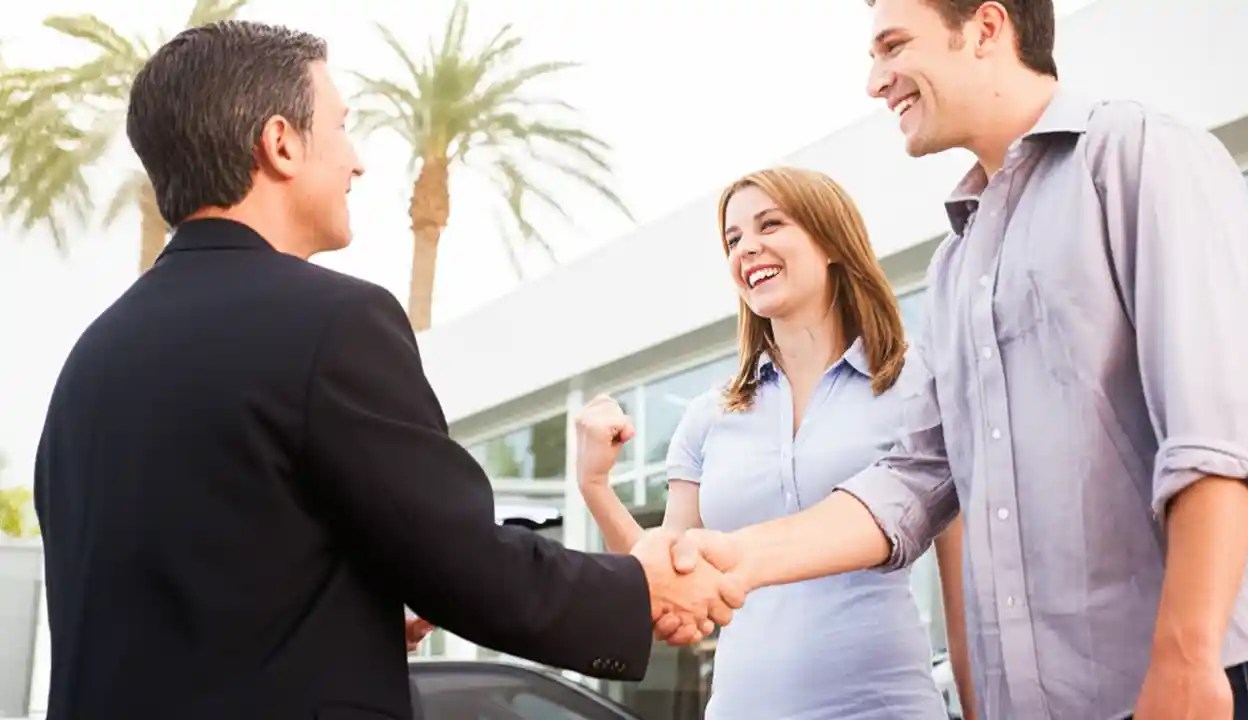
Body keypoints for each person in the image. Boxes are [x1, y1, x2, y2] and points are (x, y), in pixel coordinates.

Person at [32, 21, 741, 720]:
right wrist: (640, 590)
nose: (358, 162)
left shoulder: (93, 359)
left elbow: (187, 592)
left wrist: (353, 615)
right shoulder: (332, 322)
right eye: (342, 127)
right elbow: (462, 561)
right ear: (280, 143)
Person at [662, 1, 1248, 719]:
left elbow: (1215, 436)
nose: (876, 81)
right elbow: (914, 477)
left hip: (1194, 682)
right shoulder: (956, 264)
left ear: (986, 28)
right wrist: (741, 558)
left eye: (893, 46)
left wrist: (1186, 656)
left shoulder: (1136, 155)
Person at [574, 166, 973, 719]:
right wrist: (595, 485)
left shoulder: (917, 385)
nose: (747, 248)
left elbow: (964, 590)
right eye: (733, 239)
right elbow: (669, 585)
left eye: (770, 225)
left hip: (884, 707)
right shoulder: (710, 416)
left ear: (832, 241)